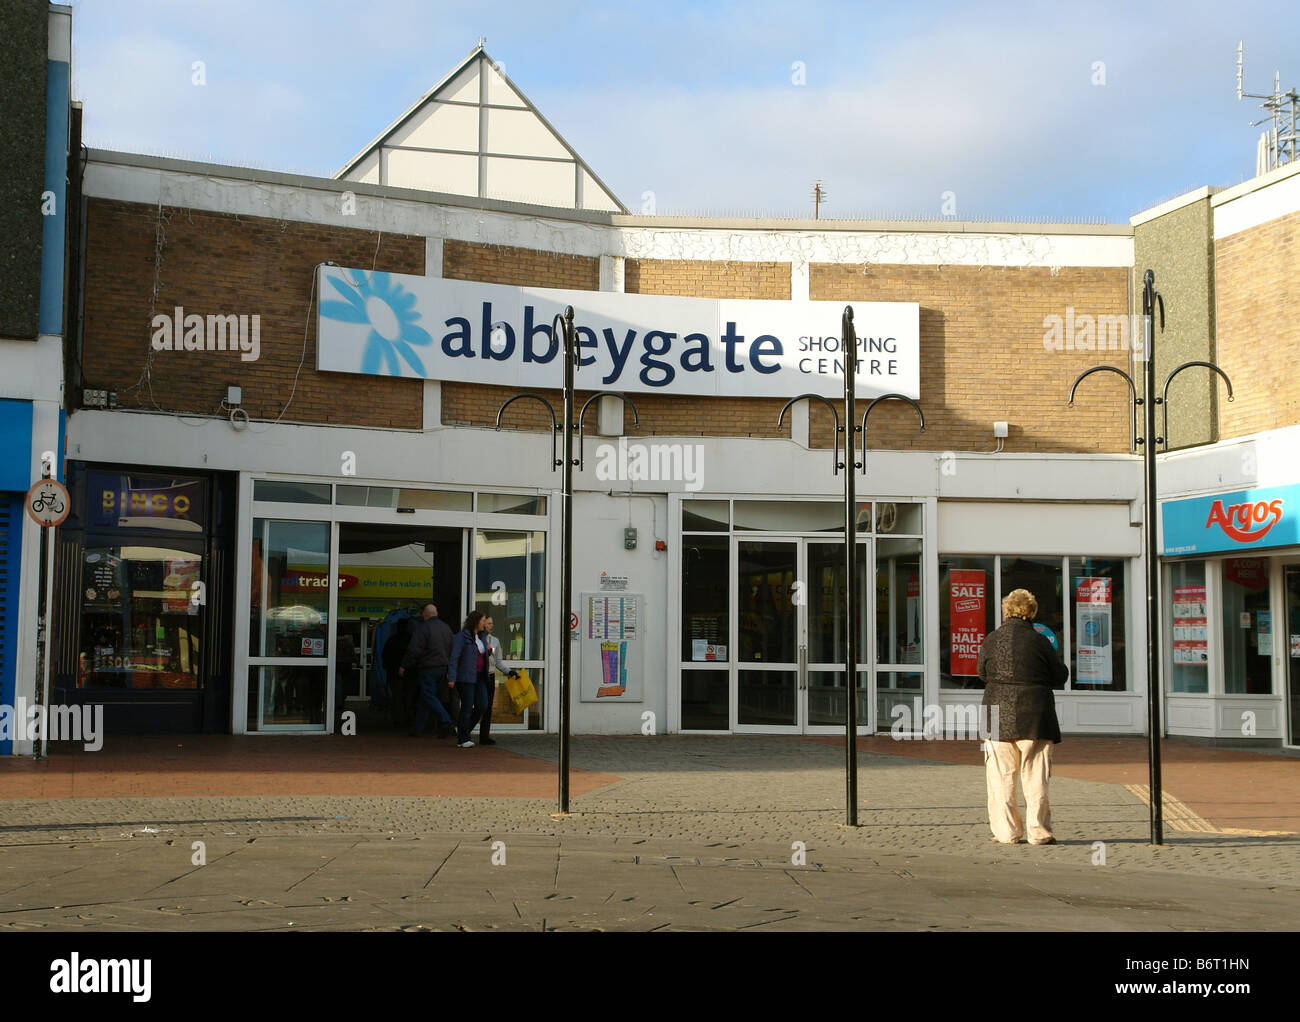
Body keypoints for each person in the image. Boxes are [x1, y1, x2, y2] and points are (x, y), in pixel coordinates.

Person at [977, 588, 1068, 845]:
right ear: (1032, 612)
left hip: (997, 716)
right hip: (1036, 717)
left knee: (1001, 779)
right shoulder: (1040, 642)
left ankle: (1006, 832)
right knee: (1035, 776)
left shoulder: (992, 639)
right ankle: (1039, 832)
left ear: (1007, 610)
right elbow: (1060, 676)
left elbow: (981, 673)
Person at [399, 604, 455, 738]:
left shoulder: (423, 628)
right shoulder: (446, 628)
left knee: (428, 695)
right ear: (436, 613)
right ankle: (418, 728)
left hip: (428, 668)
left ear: (425, 614)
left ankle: (447, 721)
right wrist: (449, 668)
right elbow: (451, 649)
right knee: (427, 698)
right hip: (442, 668)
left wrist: (404, 665)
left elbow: (414, 650)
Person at [449, 610, 488, 748]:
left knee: (482, 705)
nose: (485, 623)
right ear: (476, 621)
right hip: (466, 677)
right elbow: (454, 657)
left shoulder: (482, 637)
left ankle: (462, 730)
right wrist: (452, 677)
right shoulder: (461, 637)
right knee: (467, 706)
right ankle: (464, 738)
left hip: (480, 676)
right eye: (483, 620)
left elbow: (481, 655)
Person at [478, 615, 515, 746]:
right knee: (480, 706)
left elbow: (498, 661)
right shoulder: (477, 639)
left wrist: (508, 671)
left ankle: (484, 736)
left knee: (488, 707)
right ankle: (465, 731)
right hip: (480, 675)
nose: (491, 626)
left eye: (492, 623)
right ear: (482, 625)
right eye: (488, 623)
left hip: (491, 675)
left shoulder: (495, 641)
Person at [383, 618, 413, 729]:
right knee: (409, 696)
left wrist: (387, 668)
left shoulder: (392, 640)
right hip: (409, 673)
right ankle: (408, 717)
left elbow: (385, 657)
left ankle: (398, 719)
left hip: (394, 673)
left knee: (397, 696)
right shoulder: (411, 639)